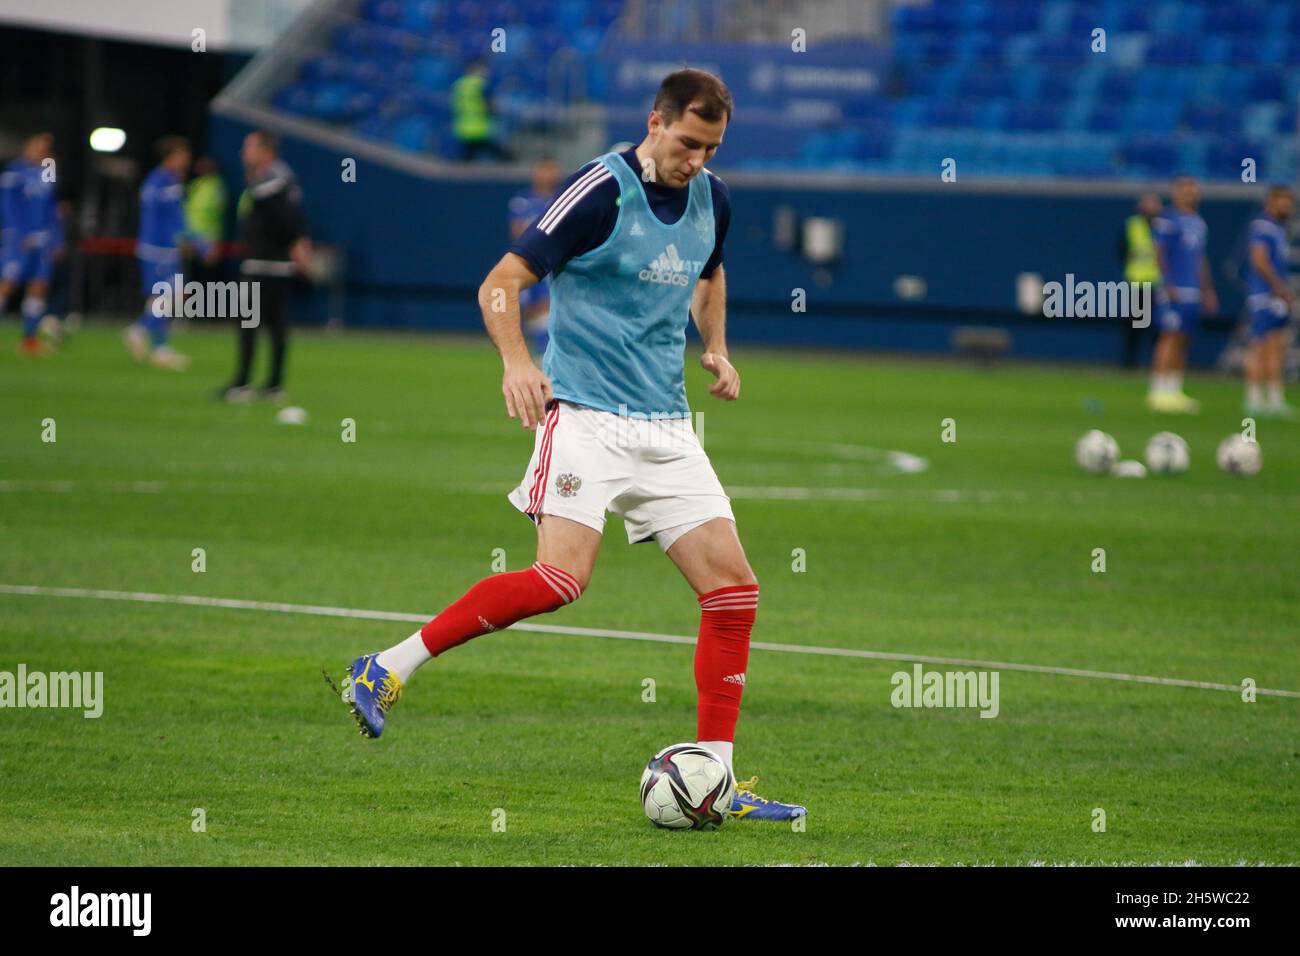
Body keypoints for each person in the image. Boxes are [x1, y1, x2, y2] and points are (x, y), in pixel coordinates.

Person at [335, 68, 805, 822]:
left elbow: (711, 274)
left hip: (666, 424)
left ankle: (714, 783)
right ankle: (387, 667)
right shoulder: (599, 191)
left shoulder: (712, 197)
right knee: (559, 581)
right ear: (654, 121)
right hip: (585, 414)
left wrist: (715, 345)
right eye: (687, 142)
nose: (697, 160)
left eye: (711, 148)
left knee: (734, 593)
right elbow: (501, 281)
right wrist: (518, 362)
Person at [219, 130, 311, 403]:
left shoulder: (273, 183)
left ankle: (247, 384)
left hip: (265, 264)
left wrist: (299, 251)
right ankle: (271, 385)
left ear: (265, 151)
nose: (243, 153)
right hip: (272, 264)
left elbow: (290, 224)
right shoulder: (276, 180)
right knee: (274, 325)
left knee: (256, 324)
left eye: (249, 147)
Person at [123, 136, 205, 370]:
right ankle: (143, 333)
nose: (187, 159)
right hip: (158, 249)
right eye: (182, 154)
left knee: (170, 297)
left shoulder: (165, 180)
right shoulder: (162, 182)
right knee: (169, 296)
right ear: (171, 156)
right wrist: (199, 243)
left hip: (164, 248)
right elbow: (173, 220)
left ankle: (156, 345)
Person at [1148, 175, 1218, 413]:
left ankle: (1174, 389)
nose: (1190, 193)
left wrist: (1207, 290)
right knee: (1169, 335)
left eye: (1193, 190)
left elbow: (1200, 258)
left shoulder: (1199, 223)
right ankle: (1157, 390)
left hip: (1192, 290)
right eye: (1186, 189)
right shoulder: (1167, 220)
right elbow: (1158, 252)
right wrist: (1167, 283)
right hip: (1174, 289)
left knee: (1184, 338)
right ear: (1176, 192)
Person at [1, 132, 63, 356]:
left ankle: (29, 339)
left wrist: (57, 239)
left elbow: (51, 207)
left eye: (46, 146)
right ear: (28, 145)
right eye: (38, 145)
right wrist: (20, 234)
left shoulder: (47, 171)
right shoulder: (14, 171)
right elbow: (7, 206)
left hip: (43, 240)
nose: (42, 150)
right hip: (20, 239)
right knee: (8, 283)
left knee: (38, 285)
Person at [1242, 185, 1296, 418]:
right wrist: (1279, 287)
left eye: (1289, 202)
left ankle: (1274, 398)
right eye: (1282, 201)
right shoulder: (1262, 226)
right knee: (1260, 346)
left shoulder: (1278, 229)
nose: (1287, 206)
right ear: (1270, 202)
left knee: (1278, 345)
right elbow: (1259, 260)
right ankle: (1253, 397)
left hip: (1276, 296)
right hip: (1265, 295)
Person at [507, 157, 560, 354]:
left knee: (547, 312)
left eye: (550, 170)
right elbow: (517, 233)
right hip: (528, 263)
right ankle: (541, 357)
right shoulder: (522, 201)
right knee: (531, 314)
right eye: (543, 170)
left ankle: (546, 362)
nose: (546, 175)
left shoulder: (559, 199)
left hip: (551, 264)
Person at [1117, 193, 1162, 367]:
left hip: (1157, 282)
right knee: (1135, 325)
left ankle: (1158, 365)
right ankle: (1130, 363)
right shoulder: (1132, 225)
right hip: (1136, 281)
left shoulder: (1163, 227)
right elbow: (1120, 251)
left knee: (1159, 326)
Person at [451, 58, 510, 162]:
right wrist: (496, 112)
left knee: (468, 155)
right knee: (497, 151)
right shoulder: (481, 84)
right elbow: (490, 105)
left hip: (463, 126)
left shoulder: (459, 85)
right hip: (480, 126)